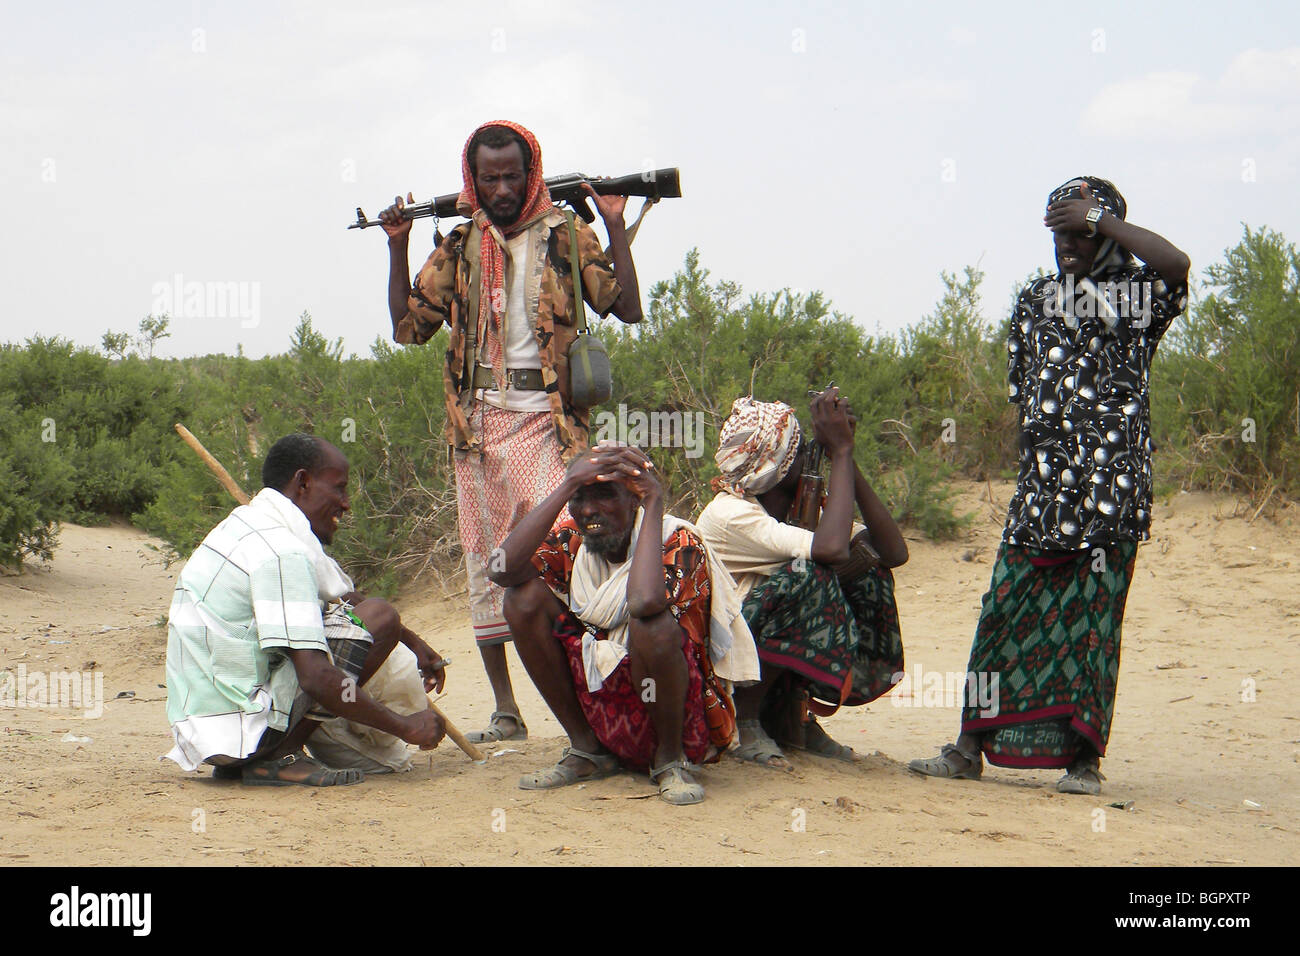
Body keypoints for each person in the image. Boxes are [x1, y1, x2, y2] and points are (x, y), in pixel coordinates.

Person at [909, 176, 1190, 795]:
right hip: (1040, 494)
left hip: (1108, 495)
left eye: (1081, 232)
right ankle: (967, 746)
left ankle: (1083, 763)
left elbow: (1177, 265)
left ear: (1106, 236)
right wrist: (1028, 477)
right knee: (1002, 615)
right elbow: (1027, 398)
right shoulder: (1036, 300)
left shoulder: (1138, 297)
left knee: (1091, 628)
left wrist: (1104, 220)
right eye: (1059, 232)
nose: (1068, 244)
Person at [380, 121, 643, 745]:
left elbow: (625, 306)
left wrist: (612, 223)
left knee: (563, 554)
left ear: (532, 173)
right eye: (488, 177)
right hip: (477, 427)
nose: (501, 188)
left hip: (549, 423)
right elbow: (408, 328)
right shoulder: (463, 244)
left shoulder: (565, 235)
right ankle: (506, 707)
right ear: (473, 179)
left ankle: (589, 702)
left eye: (512, 175)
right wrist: (398, 245)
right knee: (487, 564)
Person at [164, 434, 447, 785]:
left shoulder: (245, 526)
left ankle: (256, 757)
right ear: (303, 482)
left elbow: (340, 595)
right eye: (339, 489)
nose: (345, 505)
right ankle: (280, 756)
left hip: (205, 733)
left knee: (371, 617)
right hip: (243, 732)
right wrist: (406, 726)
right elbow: (315, 677)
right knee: (378, 619)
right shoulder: (283, 551)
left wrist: (413, 642)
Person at [487, 443, 759, 805]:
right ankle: (587, 750)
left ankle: (669, 761)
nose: (588, 511)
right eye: (579, 499)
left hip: (674, 716)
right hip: (601, 711)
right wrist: (566, 486)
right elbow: (501, 569)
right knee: (522, 600)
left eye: (604, 496)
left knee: (653, 625)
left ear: (634, 500)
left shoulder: (679, 541)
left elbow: (644, 601)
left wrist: (655, 501)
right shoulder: (573, 540)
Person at [695, 391, 909, 771]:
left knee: (868, 574)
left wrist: (848, 457)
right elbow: (829, 551)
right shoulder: (729, 514)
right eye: (798, 451)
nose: (809, 453)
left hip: (755, 646)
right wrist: (839, 452)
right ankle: (745, 722)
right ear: (778, 467)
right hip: (721, 664)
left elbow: (891, 553)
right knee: (809, 575)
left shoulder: (795, 507)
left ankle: (793, 718)